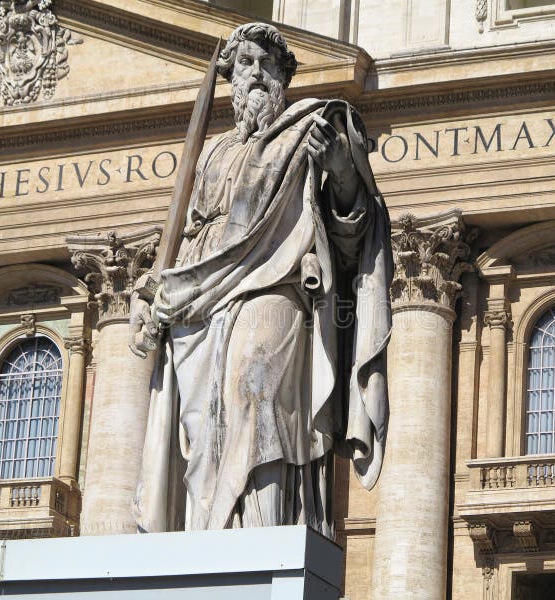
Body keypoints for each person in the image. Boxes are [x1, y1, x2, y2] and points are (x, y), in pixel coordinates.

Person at [129, 22, 391, 538]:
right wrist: (153, 294)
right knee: (205, 427)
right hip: (201, 300)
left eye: (268, 65)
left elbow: (350, 236)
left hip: (277, 284)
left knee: (258, 387)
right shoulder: (212, 153)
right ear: (230, 77)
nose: (256, 74)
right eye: (246, 63)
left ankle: (263, 534)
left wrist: (341, 170)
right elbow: (187, 232)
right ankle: (216, 535)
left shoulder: (305, 133)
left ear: (284, 79)